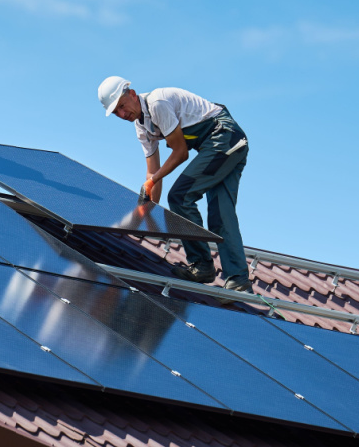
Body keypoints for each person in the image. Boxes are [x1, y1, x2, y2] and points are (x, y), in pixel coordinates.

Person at [98, 76, 252, 291]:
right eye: (116, 112)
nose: (122, 114)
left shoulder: (157, 104)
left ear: (132, 94)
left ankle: (202, 265)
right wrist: (147, 211)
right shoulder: (142, 127)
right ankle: (239, 281)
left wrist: (152, 181)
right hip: (219, 146)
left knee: (180, 196)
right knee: (220, 213)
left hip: (224, 137)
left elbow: (180, 153)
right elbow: (153, 171)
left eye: (122, 106)